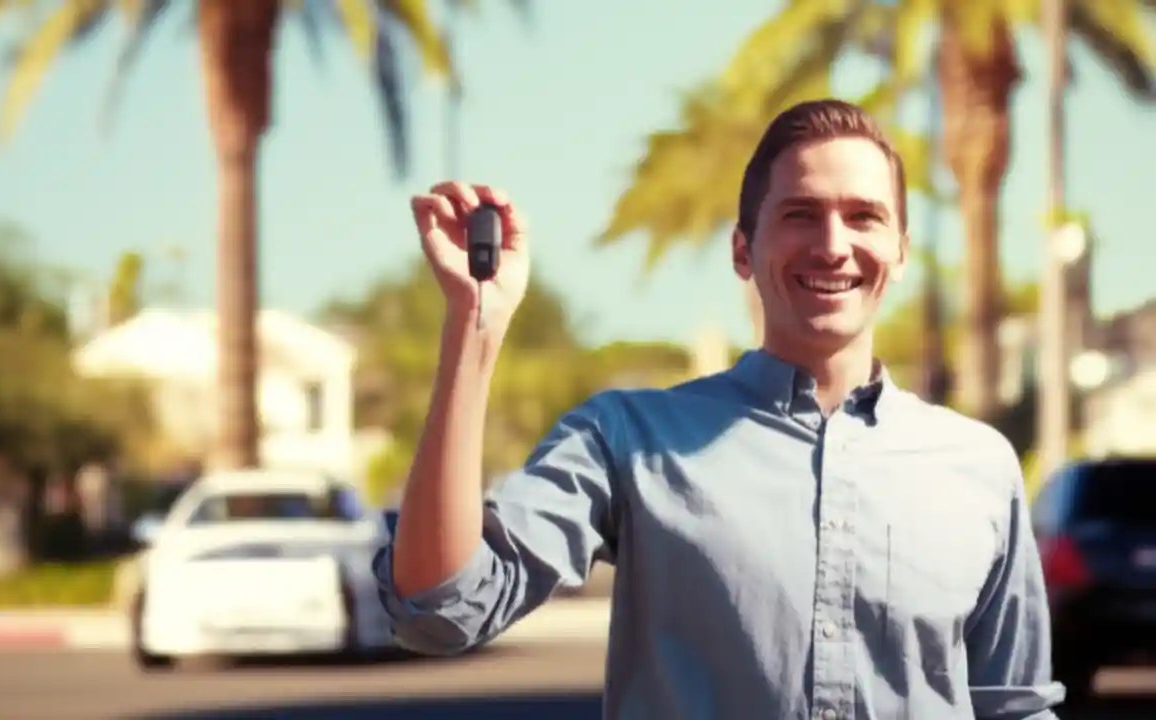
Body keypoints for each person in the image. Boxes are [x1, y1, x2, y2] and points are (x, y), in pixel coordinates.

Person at [371, 99, 1065, 719]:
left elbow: (1014, 706)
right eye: (800, 214)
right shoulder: (627, 440)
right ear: (743, 250)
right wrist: (476, 326)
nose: (832, 244)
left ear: (901, 252)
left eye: (864, 217)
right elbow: (442, 608)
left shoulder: (979, 466)